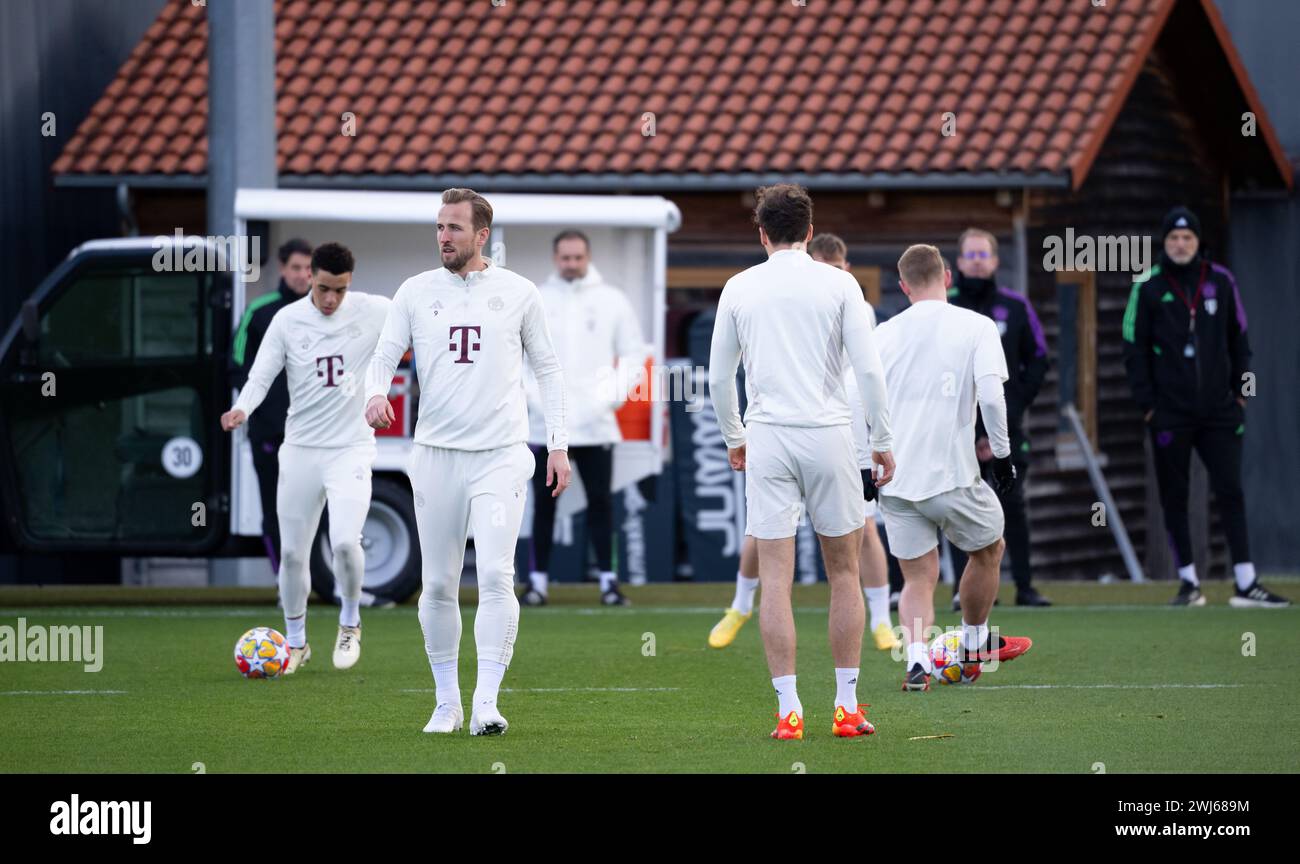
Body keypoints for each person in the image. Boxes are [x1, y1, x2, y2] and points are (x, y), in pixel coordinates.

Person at [365, 188, 572, 736]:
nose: (443, 237)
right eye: (439, 227)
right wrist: (375, 391)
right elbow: (385, 352)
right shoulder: (414, 291)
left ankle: (487, 702)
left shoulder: (519, 291)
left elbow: (549, 369)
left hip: (501, 456)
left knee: (499, 575)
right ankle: (446, 702)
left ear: (482, 235)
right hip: (435, 456)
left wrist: (557, 443)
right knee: (437, 583)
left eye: (454, 228)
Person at [709, 185, 895, 740]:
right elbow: (869, 372)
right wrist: (882, 438)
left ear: (762, 233)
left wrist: (734, 437)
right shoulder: (840, 283)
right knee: (844, 572)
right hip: (830, 435)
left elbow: (719, 378)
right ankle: (846, 707)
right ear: (811, 232)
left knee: (775, 578)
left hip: (768, 437)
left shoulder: (739, 286)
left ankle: (789, 711)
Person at [222, 242, 390, 673]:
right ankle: (296, 643)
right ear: (309, 278)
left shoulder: (374, 310)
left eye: (339, 290)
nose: (331, 299)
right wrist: (244, 407)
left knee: (346, 544)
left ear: (349, 283)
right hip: (299, 451)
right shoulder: (287, 319)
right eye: (322, 289)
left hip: (350, 449)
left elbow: (418, 316)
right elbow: (260, 374)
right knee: (293, 554)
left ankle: (350, 624)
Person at [872, 244, 1033, 692]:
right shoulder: (976, 326)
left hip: (897, 478)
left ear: (903, 287)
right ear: (946, 276)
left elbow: (856, 402)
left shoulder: (882, 334)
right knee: (990, 548)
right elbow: (992, 397)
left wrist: (866, 464)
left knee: (918, 577)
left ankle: (918, 662)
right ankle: (977, 640)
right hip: (952, 474)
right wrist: (1002, 456)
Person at [1122, 206, 1288, 607]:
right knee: (1174, 496)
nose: (1181, 244)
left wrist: (1241, 393)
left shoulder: (1221, 281)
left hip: (1220, 411)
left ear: (1198, 242)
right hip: (1169, 413)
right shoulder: (1147, 285)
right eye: (1174, 238)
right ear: (1165, 242)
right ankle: (1189, 583)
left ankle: (1246, 583)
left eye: (1188, 238)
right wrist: (1148, 406)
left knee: (1230, 491)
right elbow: (1133, 348)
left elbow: (1242, 342)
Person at [521, 230, 646, 607]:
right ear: (555, 258)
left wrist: (606, 401)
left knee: (601, 504)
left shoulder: (612, 301)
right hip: (546, 425)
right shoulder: (537, 299)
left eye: (578, 257)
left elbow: (633, 357)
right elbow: (519, 358)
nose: (571, 264)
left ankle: (609, 583)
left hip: (596, 425)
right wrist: (537, 401)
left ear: (588, 257)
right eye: (565, 258)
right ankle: (537, 584)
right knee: (543, 505)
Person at [949, 228, 1051, 608]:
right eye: (970, 255)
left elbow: (1039, 359)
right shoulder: (947, 306)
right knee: (961, 509)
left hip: (1007, 426)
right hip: (956, 429)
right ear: (959, 262)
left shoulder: (1016, 306)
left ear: (994, 260)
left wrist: (1013, 406)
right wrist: (972, 427)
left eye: (983, 254)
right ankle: (963, 593)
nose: (977, 261)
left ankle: (1025, 587)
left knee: (1013, 506)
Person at [230, 237, 313, 574]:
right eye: (296, 267)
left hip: (311, 436)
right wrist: (261, 411)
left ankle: (319, 582)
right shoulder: (260, 311)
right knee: (275, 511)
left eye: (309, 269)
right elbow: (236, 366)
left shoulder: (323, 311)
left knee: (313, 513)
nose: (302, 276)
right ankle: (284, 583)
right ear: (282, 268)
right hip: (269, 434)